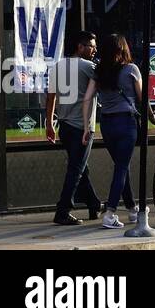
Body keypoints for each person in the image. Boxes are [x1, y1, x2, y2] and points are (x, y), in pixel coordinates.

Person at [81, 34, 142, 230]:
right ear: (123, 49)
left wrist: (85, 127)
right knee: (121, 167)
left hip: (106, 124)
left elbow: (87, 99)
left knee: (121, 166)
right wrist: (152, 117)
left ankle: (132, 209)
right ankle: (110, 213)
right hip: (126, 123)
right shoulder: (132, 69)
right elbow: (143, 98)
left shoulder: (99, 72)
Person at [45, 31, 102, 226]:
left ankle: (94, 203)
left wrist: (49, 124)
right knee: (76, 169)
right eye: (91, 46)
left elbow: (50, 96)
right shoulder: (89, 66)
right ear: (80, 47)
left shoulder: (58, 66)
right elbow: (106, 85)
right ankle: (63, 210)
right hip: (82, 127)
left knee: (80, 168)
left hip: (65, 126)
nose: (94, 49)